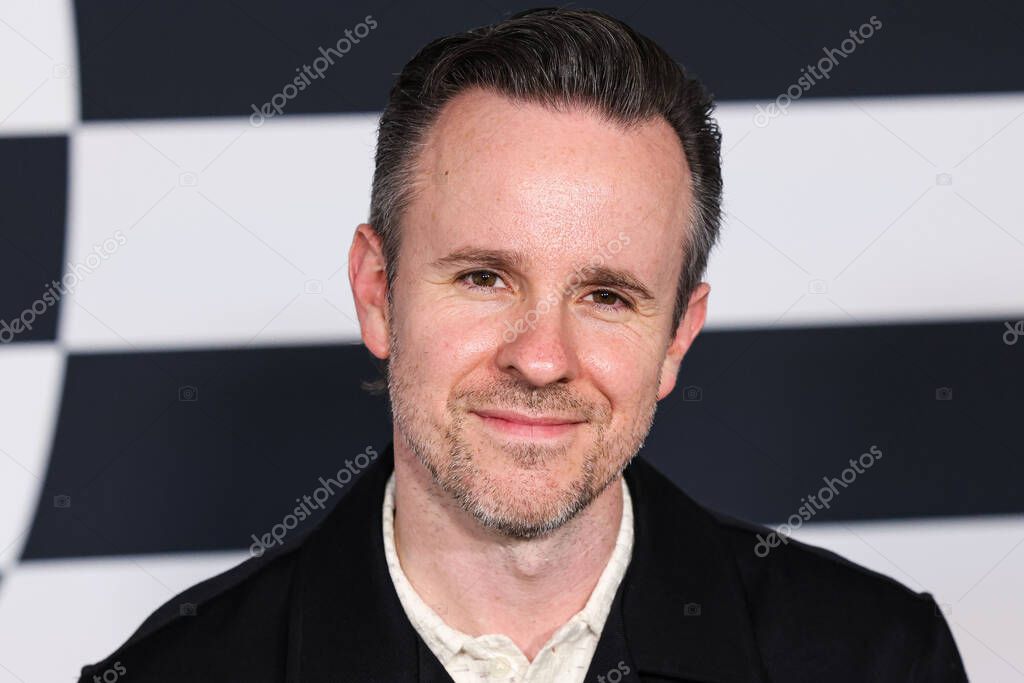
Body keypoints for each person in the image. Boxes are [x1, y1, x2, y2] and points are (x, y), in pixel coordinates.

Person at [79, 7, 967, 682]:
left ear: (677, 339)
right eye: (484, 278)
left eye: (608, 294)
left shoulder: (877, 658)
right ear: (376, 292)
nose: (541, 357)